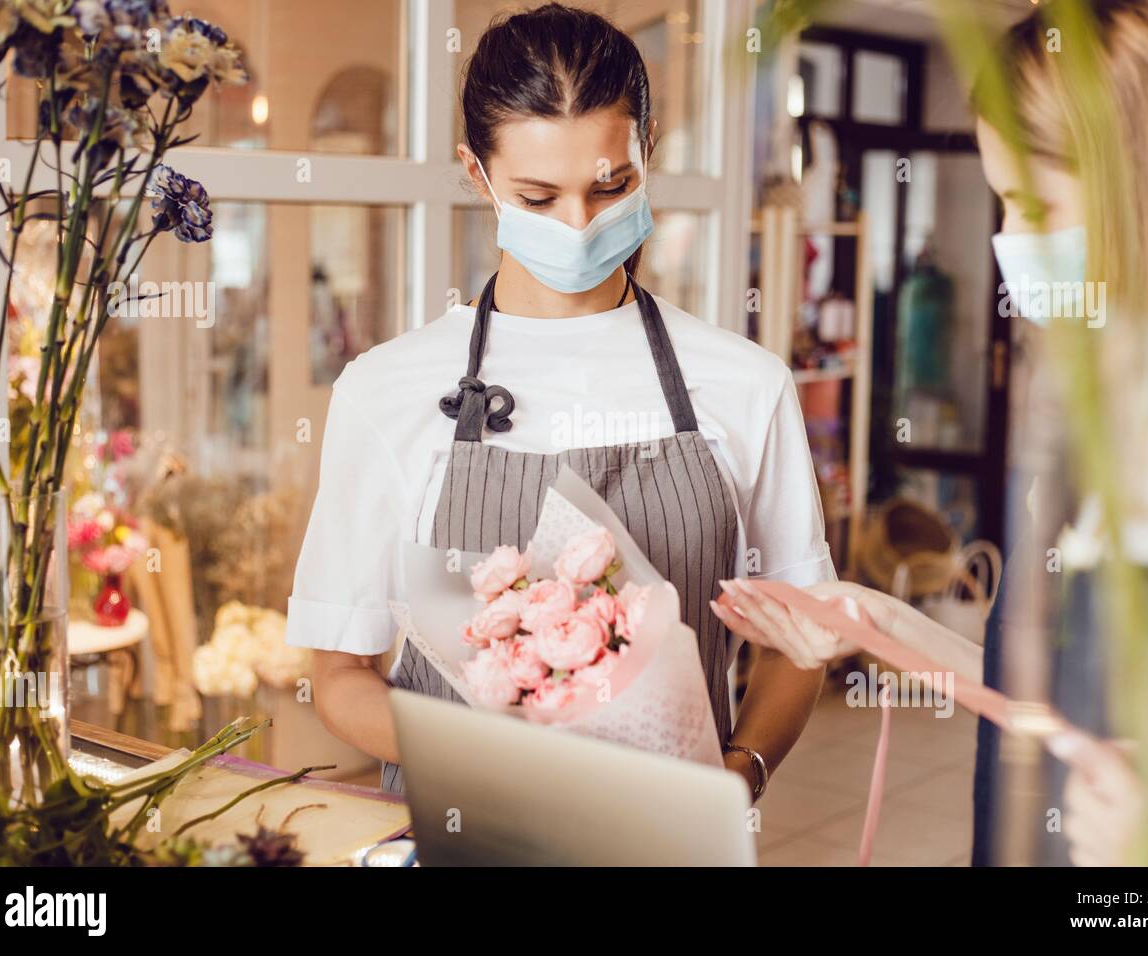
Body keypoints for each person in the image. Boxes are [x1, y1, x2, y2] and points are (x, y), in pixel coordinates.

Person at [715, 0, 1148, 865]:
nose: (1007, 246)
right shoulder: (1106, 428)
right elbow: (1041, 702)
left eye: (1035, 208)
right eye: (1001, 204)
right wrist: (878, 623)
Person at [285, 3, 836, 798]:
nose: (579, 226)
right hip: (464, 826)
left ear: (645, 155)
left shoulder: (745, 383)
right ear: (478, 177)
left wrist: (739, 774)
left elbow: (796, 638)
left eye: (610, 186)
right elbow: (340, 671)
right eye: (539, 198)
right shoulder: (386, 388)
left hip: (666, 835)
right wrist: (494, 756)